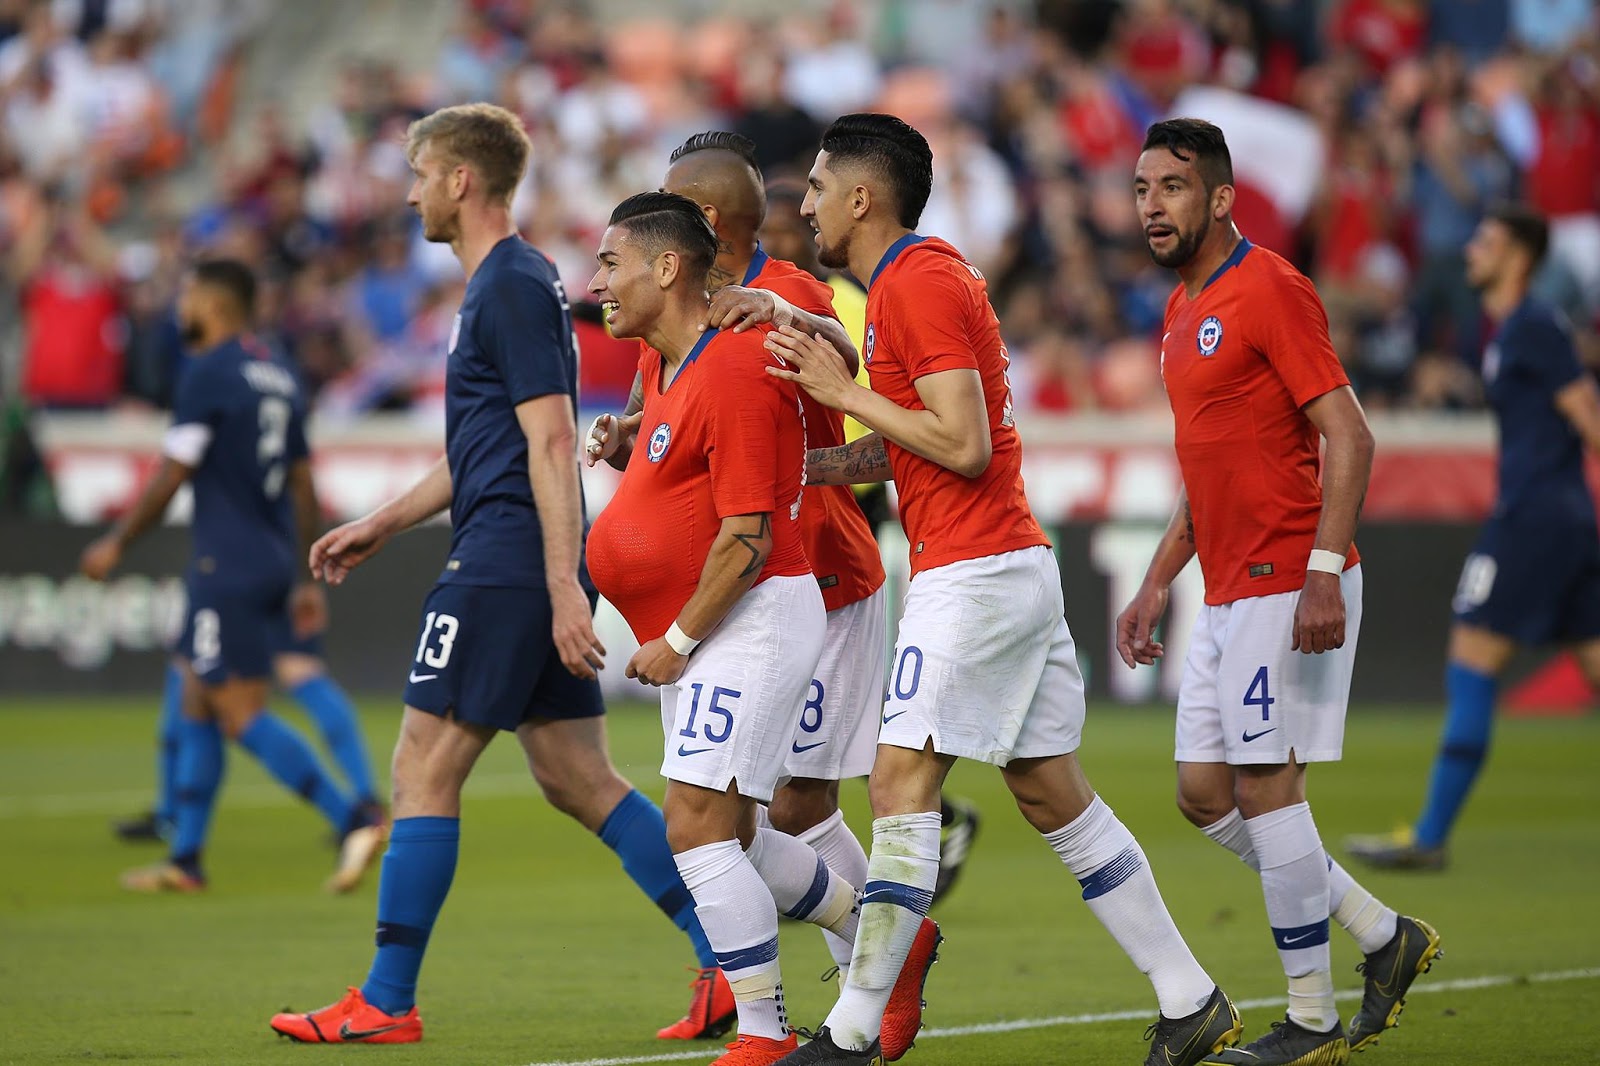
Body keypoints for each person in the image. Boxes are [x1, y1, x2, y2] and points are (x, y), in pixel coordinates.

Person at [766, 113, 1238, 1066]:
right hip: (1000, 565)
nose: (806, 205)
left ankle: (852, 1035)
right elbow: (917, 441)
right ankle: (1191, 1000)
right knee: (1052, 794)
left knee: (899, 785)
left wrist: (841, 391)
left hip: (975, 573)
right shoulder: (909, 280)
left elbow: (965, 443)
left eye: (816, 187)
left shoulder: (917, 282)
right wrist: (808, 467)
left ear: (861, 196)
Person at [266, 103, 714, 1046]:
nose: (411, 194)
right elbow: (489, 444)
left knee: (421, 765)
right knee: (577, 777)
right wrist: (384, 522)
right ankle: (726, 959)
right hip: (521, 552)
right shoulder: (507, 283)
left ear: (460, 180)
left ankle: (386, 1000)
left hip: (506, 562)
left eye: (421, 174)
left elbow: (550, 440)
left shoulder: (507, 283)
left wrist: (559, 584)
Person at [1115, 118, 1441, 1064]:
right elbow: (1206, 471)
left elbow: (1351, 434)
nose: (1152, 206)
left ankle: (1311, 1020)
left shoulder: (1270, 286)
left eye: (1173, 187)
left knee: (1266, 788)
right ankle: (1382, 934)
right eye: (1142, 189)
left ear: (1221, 197)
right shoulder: (1180, 311)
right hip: (1225, 590)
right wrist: (1154, 582)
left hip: (1288, 578)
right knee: (1203, 794)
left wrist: (1323, 572)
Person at [584, 190, 929, 1066]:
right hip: (713, 625)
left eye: (610, 264)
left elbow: (749, 536)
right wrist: (628, 442)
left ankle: (764, 1032)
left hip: (751, 617)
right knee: (735, 832)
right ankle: (886, 933)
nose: (597, 284)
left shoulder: (740, 358)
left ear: (668, 267)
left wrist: (678, 641)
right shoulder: (671, 362)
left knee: (697, 826)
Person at [78, 258, 386, 895]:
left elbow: (174, 472)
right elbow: (302, 480)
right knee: (194, 693)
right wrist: (304, 576)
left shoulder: (209, 370)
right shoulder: (277, 373)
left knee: (240, 713)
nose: (181, 307)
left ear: (214, 306)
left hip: (226, 564)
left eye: (189, 296)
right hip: (268, 558)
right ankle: (186, 859)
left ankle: (353, 818)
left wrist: (117, 542)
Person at [1347, 205, 1600, 870]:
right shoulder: (1510, 331)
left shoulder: (1533, 325)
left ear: (1519, 256)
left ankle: (1430, 837)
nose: (1471, 251)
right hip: (1563, 521)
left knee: (1471, 657)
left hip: (1532, 521)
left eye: (1486, 242)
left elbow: (1585, 412)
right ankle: (1430, 835)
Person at [760, 178, 980, 906]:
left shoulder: (854, 301)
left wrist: (797, 468)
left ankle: (885, 909)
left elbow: (898, 431)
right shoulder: (762, 304)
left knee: (821, 772)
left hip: (846, 525)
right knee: (817, 762)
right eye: (771, 230)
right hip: (803, 529)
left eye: (793, 222)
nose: (785, 235)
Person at [114, 650, 382, 845]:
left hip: (229, 596)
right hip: (227, 596)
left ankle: (355, 817)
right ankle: (176, 831)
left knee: (235, 709)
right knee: (194, 681)